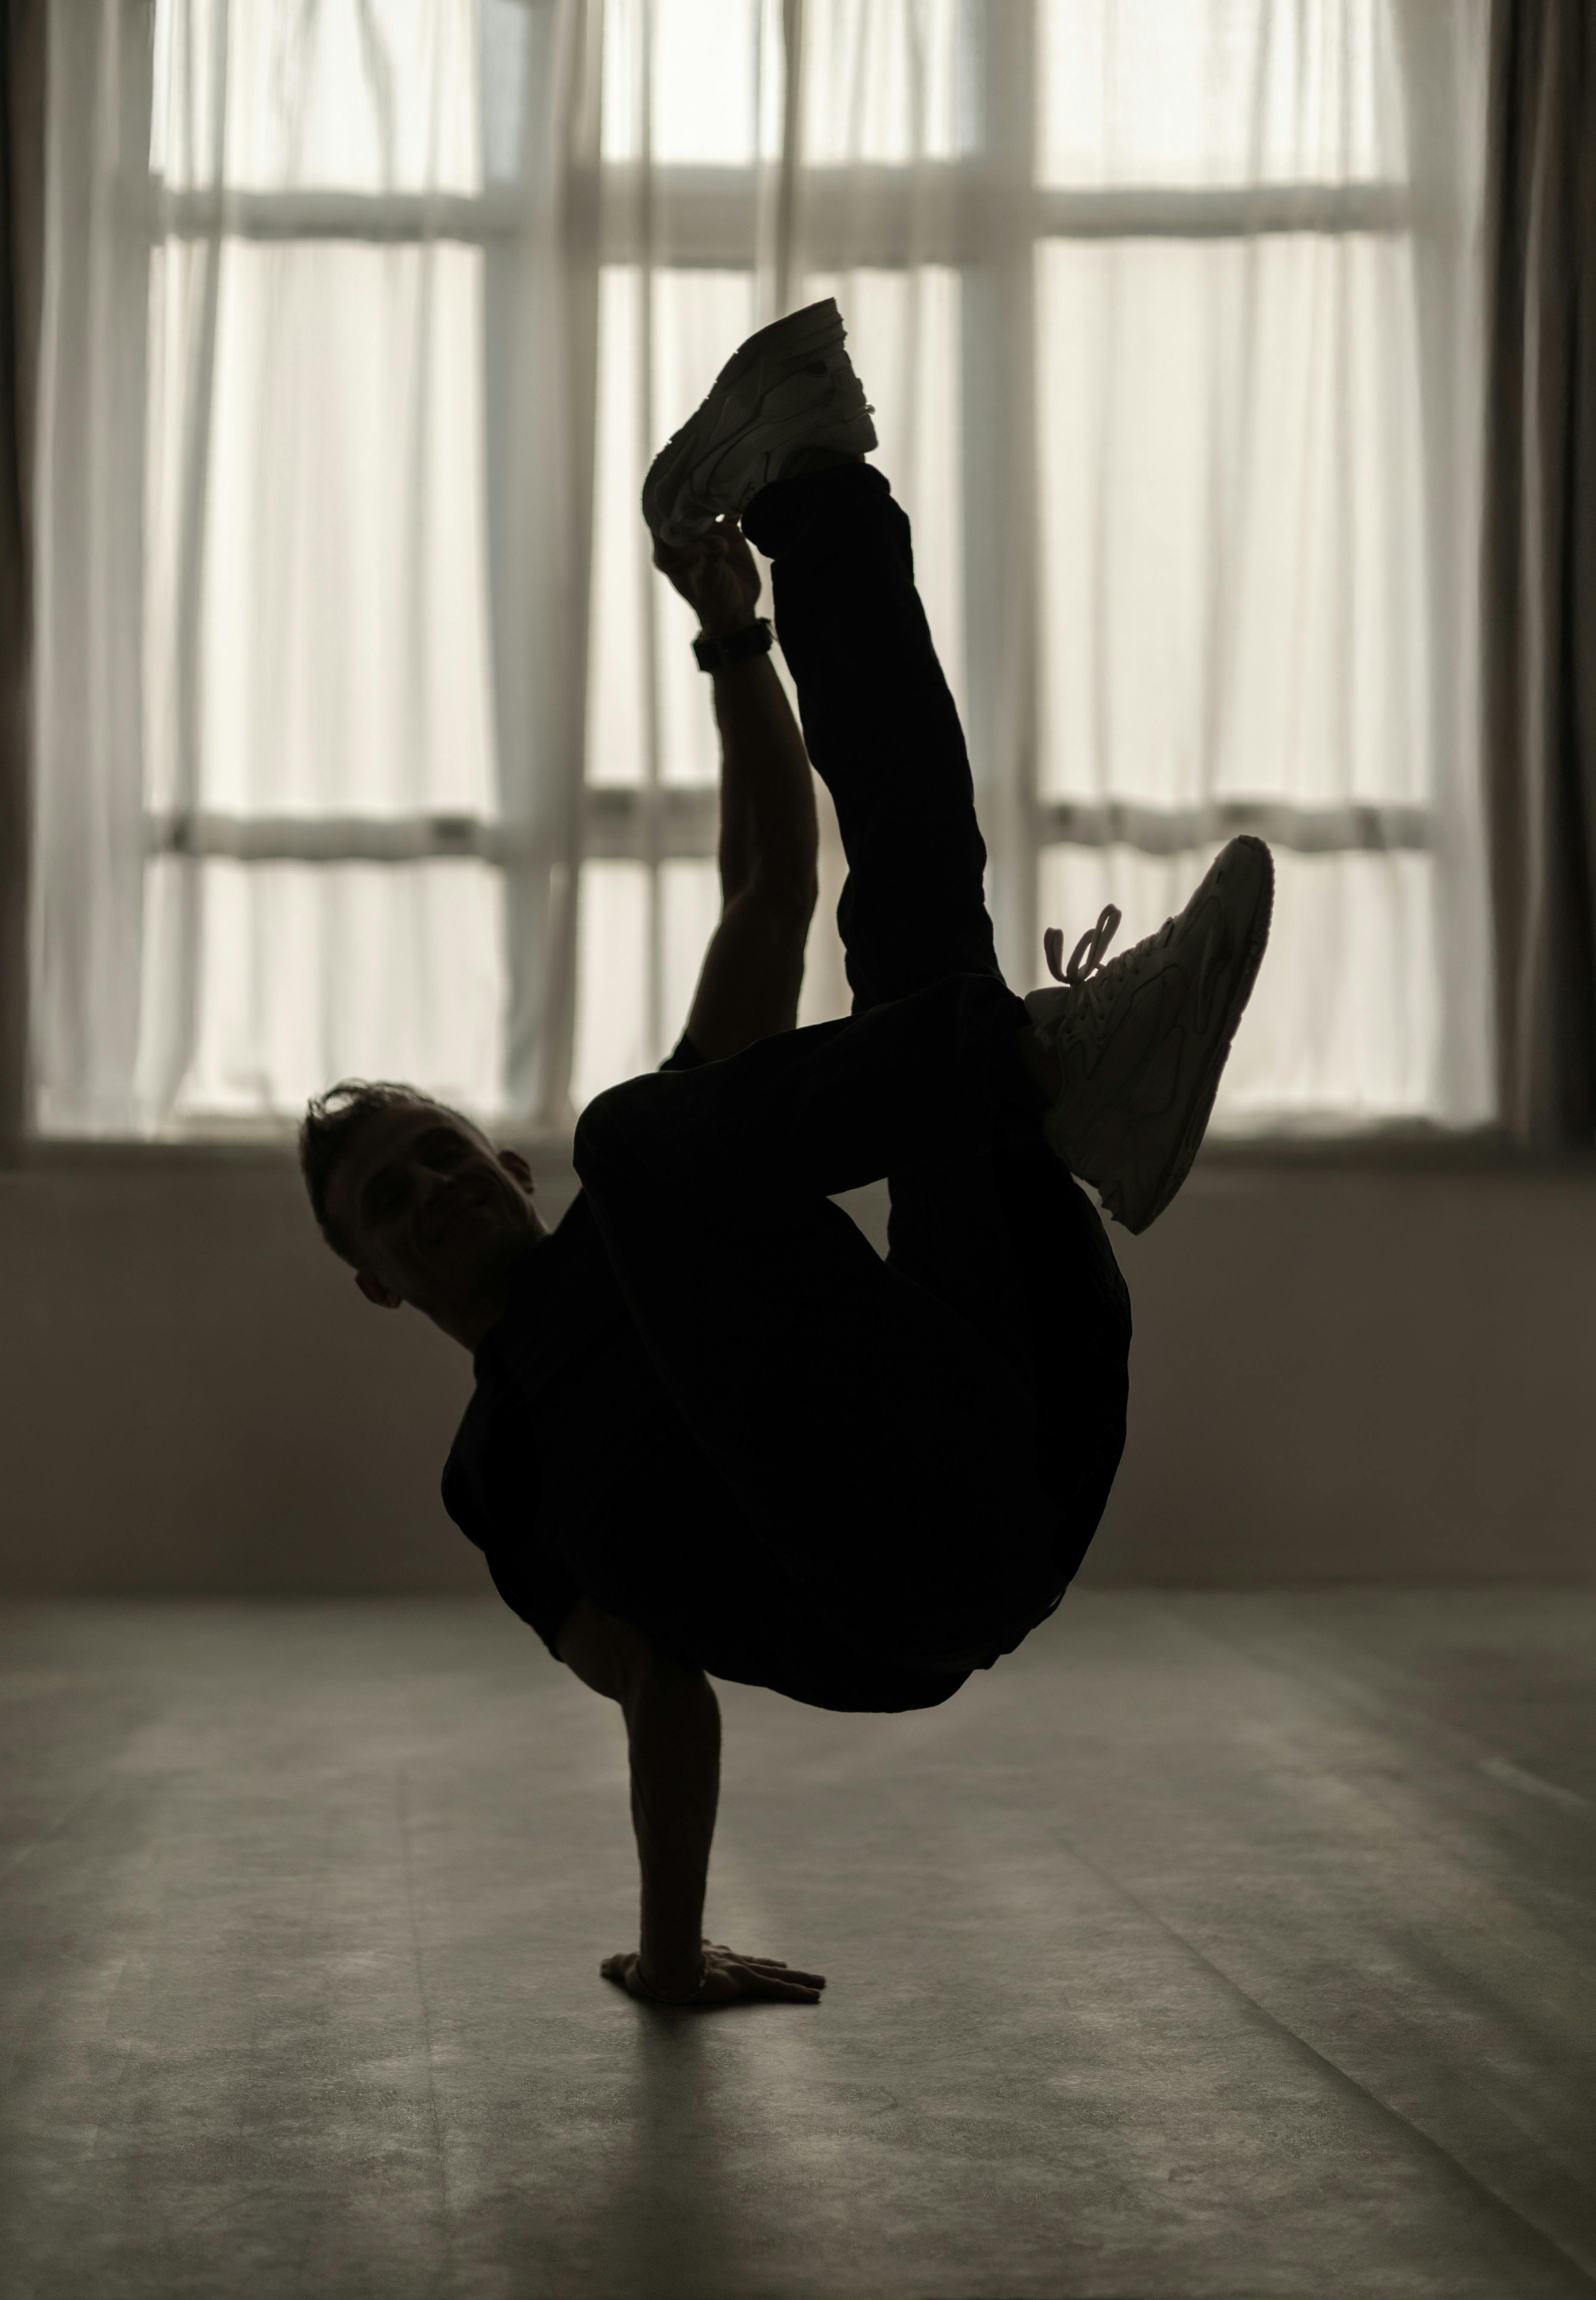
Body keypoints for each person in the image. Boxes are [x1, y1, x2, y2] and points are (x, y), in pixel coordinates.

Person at [298, 302, 1274, 2012]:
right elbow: (654, 1680)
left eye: (440, 1152)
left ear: (500, 1166)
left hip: (1014, 1405)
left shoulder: (662, 1200)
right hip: (894, 1583)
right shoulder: (500, 1470)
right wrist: (667, 1953)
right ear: (375, 1283)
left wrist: (734, 635)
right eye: (392, 1199)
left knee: (904, 925)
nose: (433, 1188)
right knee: (705, 1107)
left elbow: (764, 884)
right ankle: (1042, 1062)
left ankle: (813, 480)